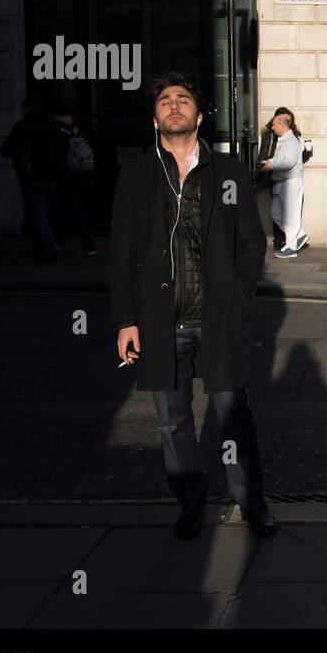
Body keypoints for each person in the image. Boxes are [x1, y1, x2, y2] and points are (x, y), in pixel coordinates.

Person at [109, 72, 277, 539]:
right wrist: (125, 320)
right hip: (161, 320)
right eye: (165, 100)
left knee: (232, 414)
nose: (174, 105)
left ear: (200, 116)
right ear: (155, 116)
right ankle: (190, 502)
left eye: (184, 99)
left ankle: (251, 502)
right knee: (173, 422)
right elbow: (121, 252)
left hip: (218, 315)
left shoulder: (227, 173)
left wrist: (241, 293)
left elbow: (250, 240)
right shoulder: (137, 176)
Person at [0, 99, 68, 262]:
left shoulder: (23, 126)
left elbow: (7, 149)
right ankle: (40, 245)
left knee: (37, 213)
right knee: (42, 212)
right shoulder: (54, 127)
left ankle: (50, 248)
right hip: (53, 175)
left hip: (32, 176)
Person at [259, 108, 307, 258]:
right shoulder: (283, 140)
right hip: (281, 182)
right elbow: (281, 159)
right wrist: (270, 163)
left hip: (290, 181)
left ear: (282, 125)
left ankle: (291, 247)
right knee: (276, 213)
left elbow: (289, 162)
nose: (272, 127)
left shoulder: (291, 140)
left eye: (274, 125)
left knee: (291, 216)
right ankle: (299, 235)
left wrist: (270, 165)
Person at [50, 105, 97, 257]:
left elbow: (56, 157)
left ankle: (85, 244)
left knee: (68, 211)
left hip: (67, 177)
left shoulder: (57, 132)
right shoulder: (79, 131)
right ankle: (56, 243)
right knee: (72, 210)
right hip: (82, 175)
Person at [256, 115, 284, 250]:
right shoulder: (270, 136)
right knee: (276, 210)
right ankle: (279, 239)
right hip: (275, 175)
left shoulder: (291, 137)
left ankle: (287, 238)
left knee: (287, 210)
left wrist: (306, 154)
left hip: (288, 177)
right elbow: (264, 154)